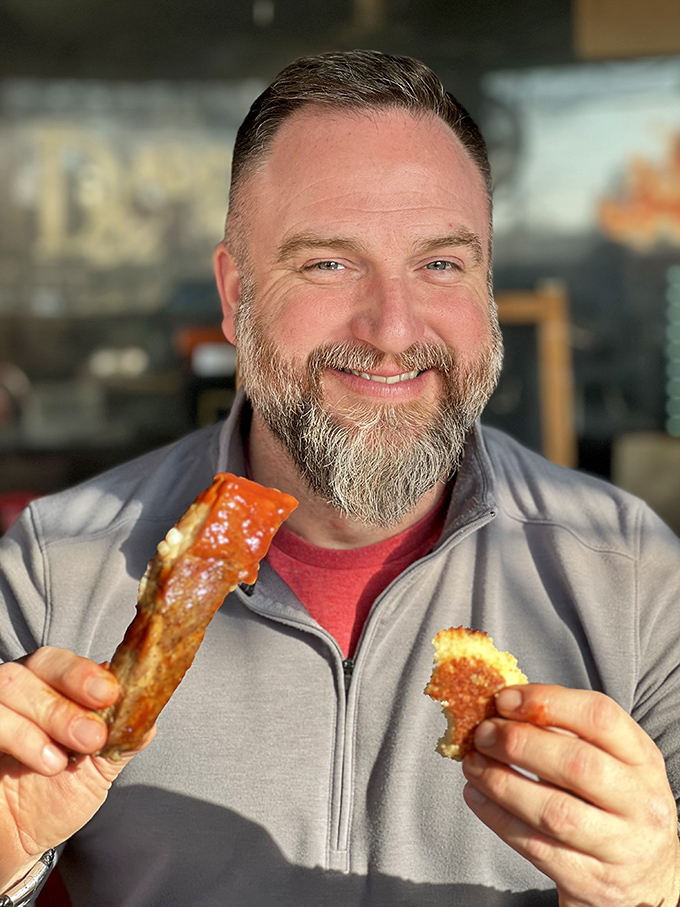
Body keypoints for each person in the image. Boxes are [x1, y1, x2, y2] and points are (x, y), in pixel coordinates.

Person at [0, 50, 678, 907]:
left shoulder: (635, 576)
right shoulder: (55, 568)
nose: (393, 328)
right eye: (328, 263)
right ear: (235, 292)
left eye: (441, 264)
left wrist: (658, 884)